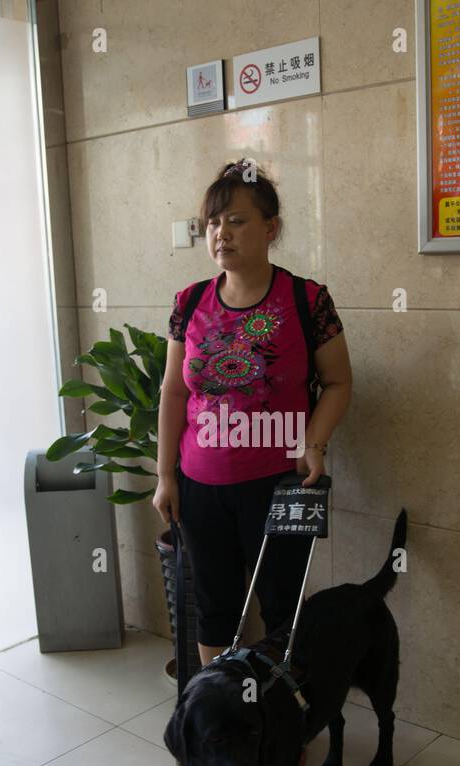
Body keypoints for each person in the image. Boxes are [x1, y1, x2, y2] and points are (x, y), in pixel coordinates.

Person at [154, 157, 352, 675]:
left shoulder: (308, 300)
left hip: (280, 483)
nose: (222, 233)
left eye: (237, 221)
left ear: (271, 228)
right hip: (201, 485)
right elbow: (174, 393)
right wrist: (164, 475)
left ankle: (284, 716)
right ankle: (223, 716)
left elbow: (337, 383)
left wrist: (315, 443)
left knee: (283, 604)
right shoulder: (189, 302)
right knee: (214, 606)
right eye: (213, 223)